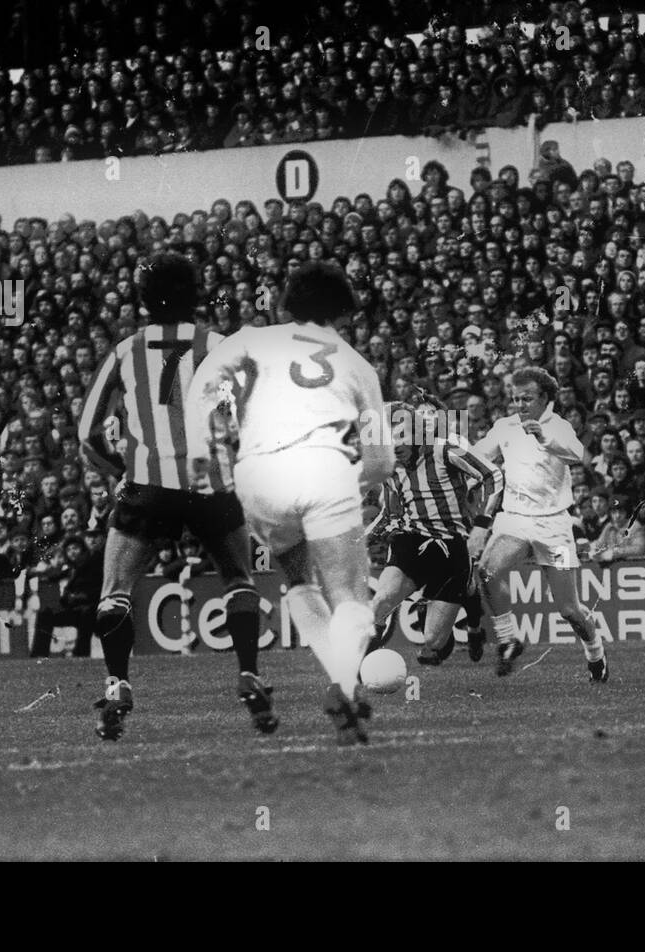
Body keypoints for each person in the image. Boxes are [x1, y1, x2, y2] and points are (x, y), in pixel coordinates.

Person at [186, 262, 395, 746]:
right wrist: (347, 488)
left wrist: (205, 452)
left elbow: (207, 390)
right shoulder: (357, 363)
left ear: (285, 304)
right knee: (350, 597)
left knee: (301, 580)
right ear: (342, 313)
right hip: (324, 465)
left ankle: (346, 685)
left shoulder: (248, 340)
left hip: (258, 474)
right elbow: (382, 462)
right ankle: (344, 684)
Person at [77, 252, 271, 741]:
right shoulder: (221, 345)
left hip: (147, 486)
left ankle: (118, 684)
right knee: (237, 578)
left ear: (144, 298)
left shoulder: (125, 351)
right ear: (194, 293)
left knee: (116, 591)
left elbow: (87, 433)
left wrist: (122, 468)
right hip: (211, 484)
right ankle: (249, 674)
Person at [472, 367, 608, 681]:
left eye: (527, 398)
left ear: (545, 399)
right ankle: (508, 639)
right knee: (487, 570)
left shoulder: (558, 426)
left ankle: (596, 653)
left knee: (569, 610)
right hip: (516, 520)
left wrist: (544, 437)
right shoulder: (505, 426)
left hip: (554, 528)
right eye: (516, 398)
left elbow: (577, 454)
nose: (520, 404)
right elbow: (480, 456)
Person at [370, 393, 501, 666]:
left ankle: (472, 627)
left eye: (401, 436)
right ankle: (359, 671)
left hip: (455, 542)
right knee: (379, 603)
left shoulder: (447, 448)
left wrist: (481, 525)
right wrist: (362, 538)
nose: (394, 445)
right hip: (414, 540)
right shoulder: (390, 467)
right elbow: (391, 511)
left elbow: (493, 475)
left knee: (433, 641)